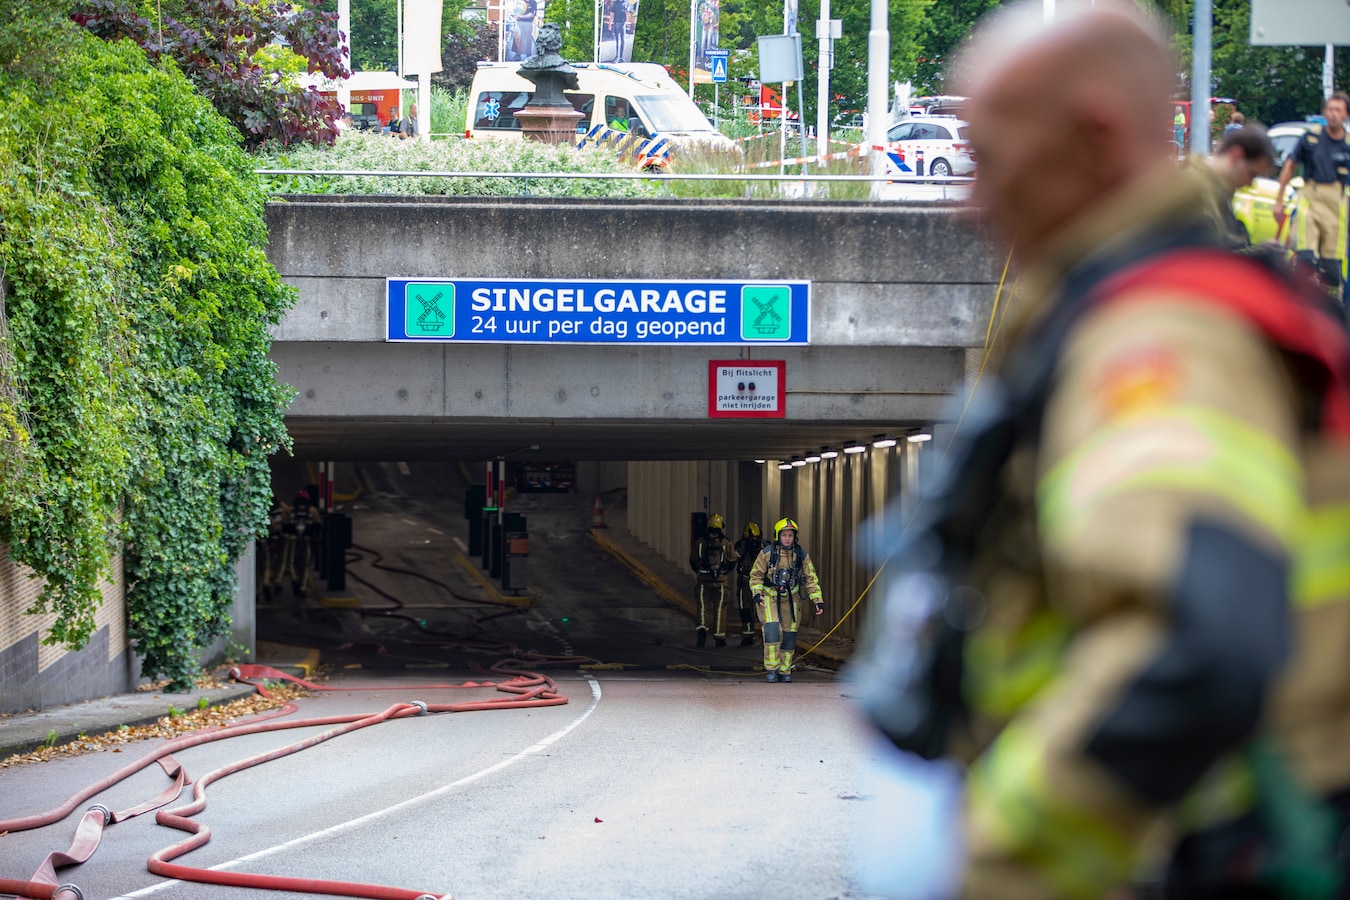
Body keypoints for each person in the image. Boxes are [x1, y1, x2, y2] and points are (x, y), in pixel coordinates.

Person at [851, 2, 1350, 897]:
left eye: (992, 160)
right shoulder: (1123, 313)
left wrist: (999, 864)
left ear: (1096, 134)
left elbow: (1193, 645)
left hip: (1218, 852)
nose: (971, 202)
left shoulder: (1157, 344)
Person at [1275, 92, 1350, 300]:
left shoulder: (1348, 143)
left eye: (1338, 110)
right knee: (1306, 259)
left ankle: (1332, 310)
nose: (1333, 114)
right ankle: (1301, 303)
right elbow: (1290, 166)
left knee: (1333, 270)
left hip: (1338, 203)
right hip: (1311, 197)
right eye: (1330, 109)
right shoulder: (1311, 137)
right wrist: (1279, 200)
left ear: (1346, 115)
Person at [747, 517, 822, 683]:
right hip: (769, 595)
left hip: (791, 597)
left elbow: (811, 577)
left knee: (790, 633)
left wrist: (817, 599)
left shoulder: (801, 555)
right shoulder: (767, 554)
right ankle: (771, 669)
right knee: (772, 630)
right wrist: (757, 594)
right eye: (784, 535)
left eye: (790, 535)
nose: (787, 538)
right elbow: (755, 576)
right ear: (777, 536)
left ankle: (785, 669)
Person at [1190, 123, 1276, 248]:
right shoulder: (1196, 190)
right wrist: (1258, 255)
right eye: (1252, 174)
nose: (1250, 184)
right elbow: (1205, 255)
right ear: (1236, 156)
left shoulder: (1216, 189)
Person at [688, 514, 735, 647]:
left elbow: (693, 560)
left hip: (703, 582)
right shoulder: (726, 542)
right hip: (721, 583)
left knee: (703, 607)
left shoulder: (701, 541)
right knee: (720, 608)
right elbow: (732, 560)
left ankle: (702, 631)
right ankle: (719, 637)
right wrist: (722, 573)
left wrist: (701, 570)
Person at [732, 521, 766, 646]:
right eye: (751, 538)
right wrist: (744, 548)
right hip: (745, 581)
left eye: (755, 538)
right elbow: (733, 558)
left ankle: (766, 637)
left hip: (762, 584)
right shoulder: (741, 547)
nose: (753, 540)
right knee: (745, 609)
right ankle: (747, 635)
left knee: (765, 611)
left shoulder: (764, 546)